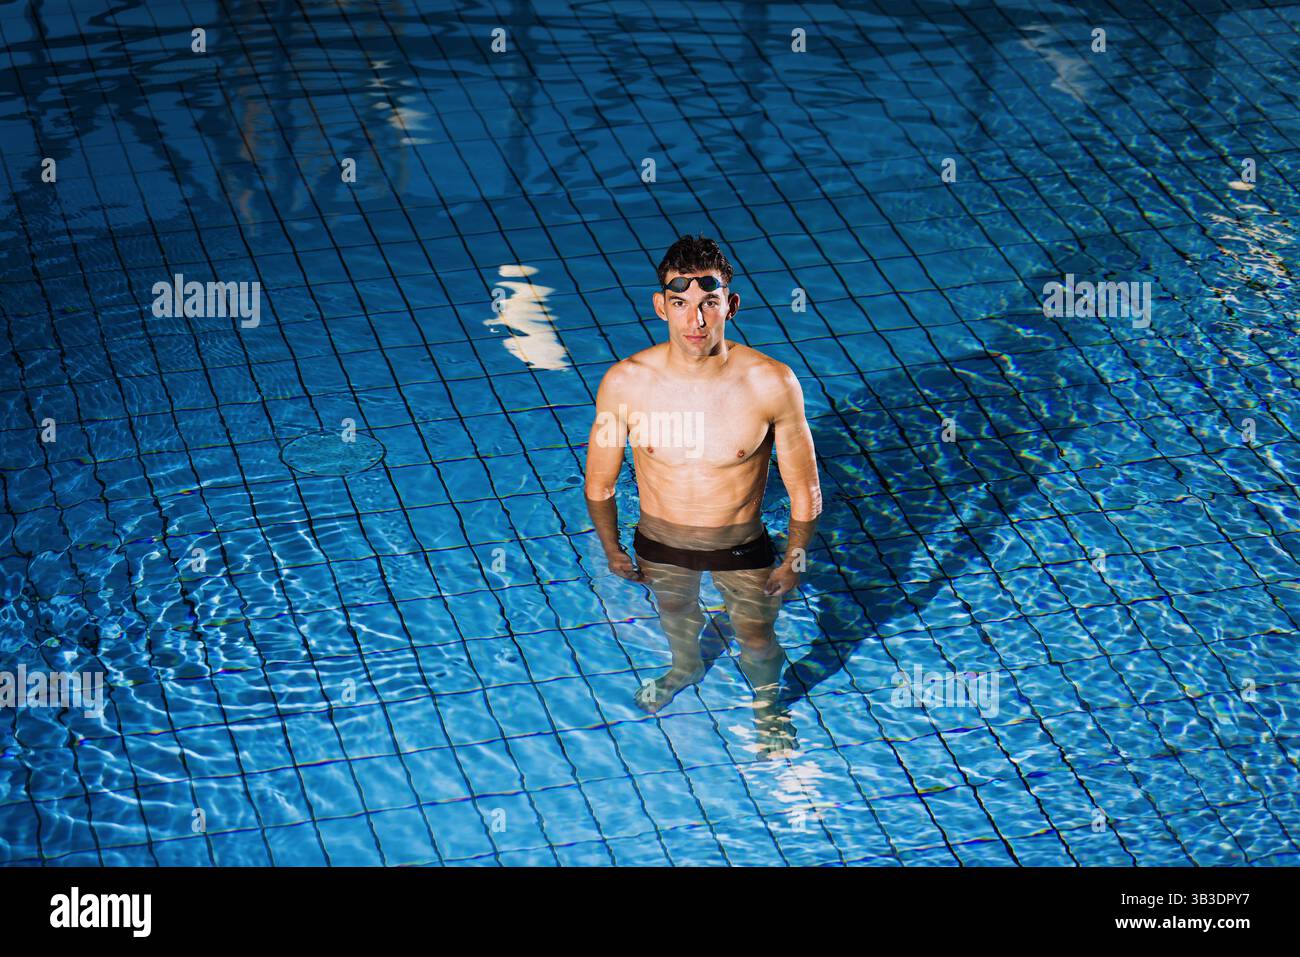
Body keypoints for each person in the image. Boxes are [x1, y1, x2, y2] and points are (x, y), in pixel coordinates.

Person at [584, 234, 822, 757]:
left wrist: (794, 558)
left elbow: (805, 489)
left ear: (729, 306)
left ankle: (767, 704)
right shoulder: (625, 382)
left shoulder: (770, 382)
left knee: (757, 636)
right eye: (681, 304)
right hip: (659, 540)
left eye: (709, 304)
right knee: (676, 614)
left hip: (740, 544)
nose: (695, 321)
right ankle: (685, 666)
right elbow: (600, 483)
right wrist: (612, 549)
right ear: (661, 306)